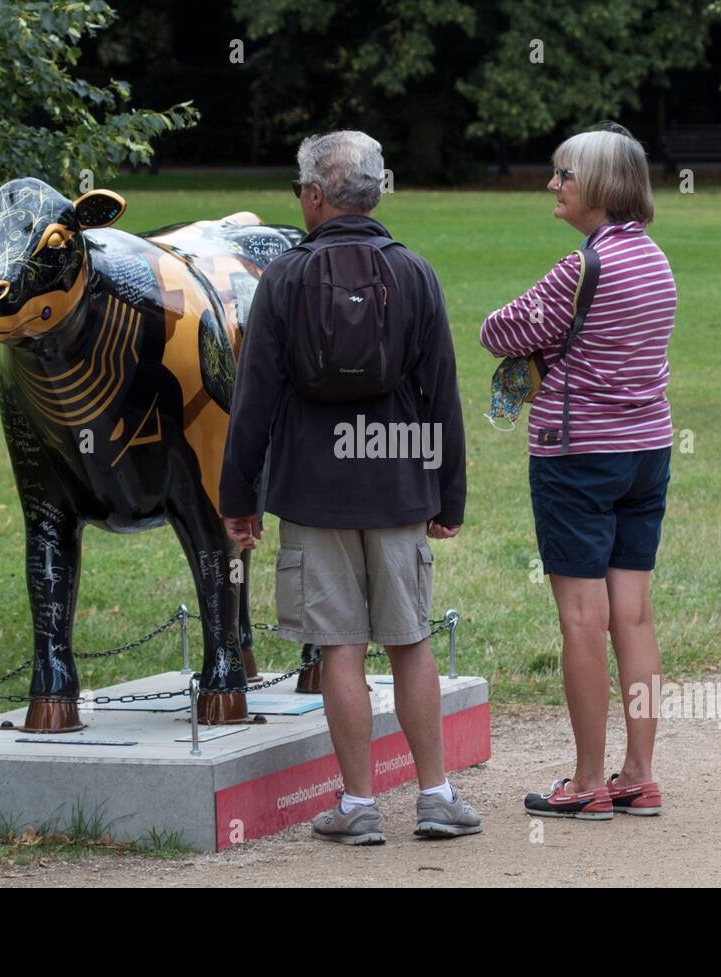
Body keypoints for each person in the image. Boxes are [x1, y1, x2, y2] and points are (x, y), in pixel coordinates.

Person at [220, 130, 480, 845]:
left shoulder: (283, 280)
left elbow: (254, 402)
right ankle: (435, 795)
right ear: (374, 191)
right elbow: (442, 397)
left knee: (338, 646)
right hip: (399, 483)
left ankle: (359, 805)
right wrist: (448, 497)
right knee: (411, 639)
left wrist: (237, 499)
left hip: (312, 489)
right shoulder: (416, 274)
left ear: (313, 195)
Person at [479, 125, 675, 820]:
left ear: (597, 186)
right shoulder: (657, 261)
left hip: (575, 456)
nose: (552, 185)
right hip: (647, 451)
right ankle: (640, 774)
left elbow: (497, 332)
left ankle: (588, 780)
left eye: (563, 174)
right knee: (635, 615)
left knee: (582, 621)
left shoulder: (581, 268)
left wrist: (549, 339)